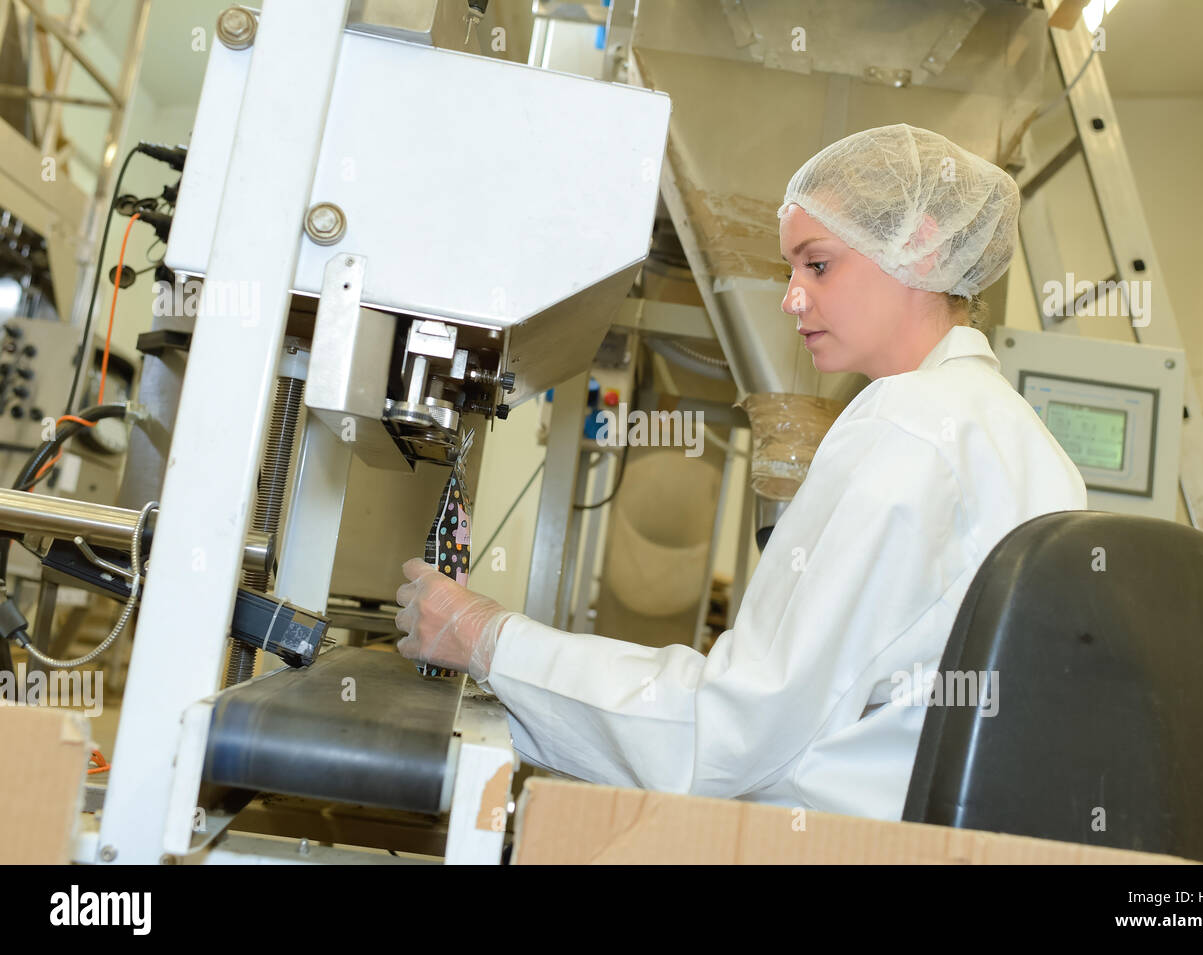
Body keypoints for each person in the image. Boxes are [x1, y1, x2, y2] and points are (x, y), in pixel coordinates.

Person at [394, 124, 1088, 820]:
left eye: (817, 265)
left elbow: (731, 733)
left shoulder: (905, 424)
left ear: (922, 245)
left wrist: (486, 638)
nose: (790, 298)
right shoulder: (1030, 446)